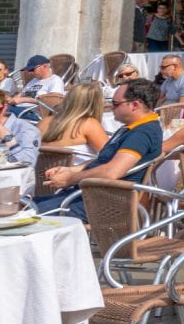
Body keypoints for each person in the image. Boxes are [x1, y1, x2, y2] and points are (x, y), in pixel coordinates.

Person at [35, 80, 168, 219]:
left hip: (102, 204)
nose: (111, 107)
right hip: (89, 196)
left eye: (116, 104)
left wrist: (71, 178)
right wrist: (70, 170)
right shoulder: (130, 128)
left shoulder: (142, 133)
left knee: (29, 213)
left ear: (134, 105)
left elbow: (112, 171)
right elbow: (102, 160)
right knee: (26, 206)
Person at [40, 79, 110, 154]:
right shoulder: (88, 124)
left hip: (41, 165)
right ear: (96, 104)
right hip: (77, 165)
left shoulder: (43, 122)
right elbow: (109, 155)